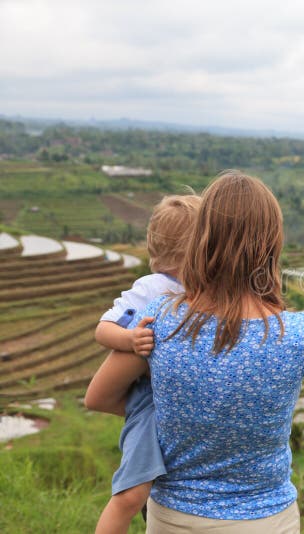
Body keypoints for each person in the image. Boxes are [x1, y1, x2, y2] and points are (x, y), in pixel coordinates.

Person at [90, 171, 304, 533]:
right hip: (266, 521)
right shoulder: (295, 334)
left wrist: (181, 411)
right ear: (271, 246)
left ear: (201, 239)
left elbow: (99, 397)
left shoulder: (159, 320)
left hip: (173, 518)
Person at [85, 194, 201, 534]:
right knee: (132, 493)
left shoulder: (201, 289)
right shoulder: (153, 288)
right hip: (149, 405)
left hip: (176, 400)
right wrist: (130, 340)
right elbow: (103, 327)